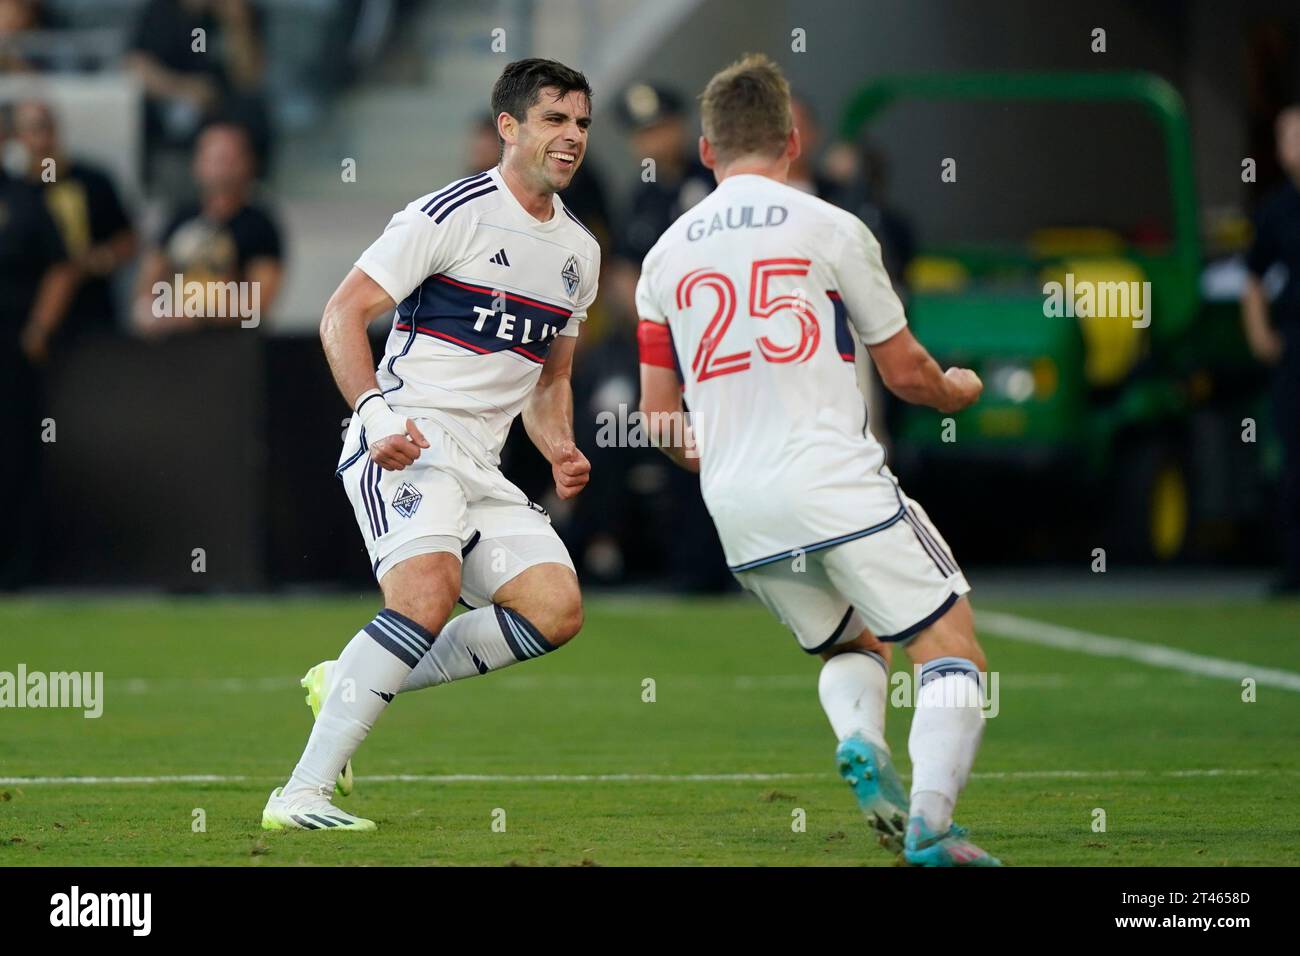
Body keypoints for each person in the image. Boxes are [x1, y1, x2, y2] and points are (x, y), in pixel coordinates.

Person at [636, 54, 998, 866]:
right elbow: (906, 373)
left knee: (851, 645)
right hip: (834, 481)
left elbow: (660, 419)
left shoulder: (662, 258)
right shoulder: (831, 226)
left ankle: (863, 742)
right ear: (791, 141)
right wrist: (958, 391)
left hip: (736, 500)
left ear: (705, 150)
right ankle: (933, 827)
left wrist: (730, 457)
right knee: (950, 652)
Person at [262, 58, 599, 831]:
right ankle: (300, 794)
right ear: (509, 127)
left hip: (482, 464)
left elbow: (549, 377)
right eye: (554, 119)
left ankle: (349, 676)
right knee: (424, 594)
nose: (572, 136)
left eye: (581, 122)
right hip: (407, 438)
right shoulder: (448, 213)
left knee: (555, 609)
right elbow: (340, 316)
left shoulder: (580, 251)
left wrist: (559, 445)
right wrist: (375, 415)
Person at [0, 102, 76, 587]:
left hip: (10, 345)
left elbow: (60, 264)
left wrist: (40, 328)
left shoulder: (24, 197)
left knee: (13, 454)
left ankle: (17, 569)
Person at [132, 121, 282, 334]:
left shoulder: (259, 225)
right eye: (214, 158)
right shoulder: (178, 217)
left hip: (233, 347)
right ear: (197, 163)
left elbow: (257, 303)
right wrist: (151, 312)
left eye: (229, 158)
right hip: (176, 347)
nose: (221, 168)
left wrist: (194, 311)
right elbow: (147, 285)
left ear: (249, 163)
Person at [13, 100, 136, 340]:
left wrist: (103, 257)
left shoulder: (93, 182)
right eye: (31, 128)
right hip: (28, 312)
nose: (41, 137)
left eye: (45, 126)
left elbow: (128, 238)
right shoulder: (15, 192)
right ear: (19, 137)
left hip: (91, 310)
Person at [1242, 104, 1300, 597]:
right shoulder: (1277, 210)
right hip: (1295, 346)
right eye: (1287, 137)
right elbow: (1253, 279)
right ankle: (1294, 566)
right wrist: (1261, 334)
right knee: (1292, 457)